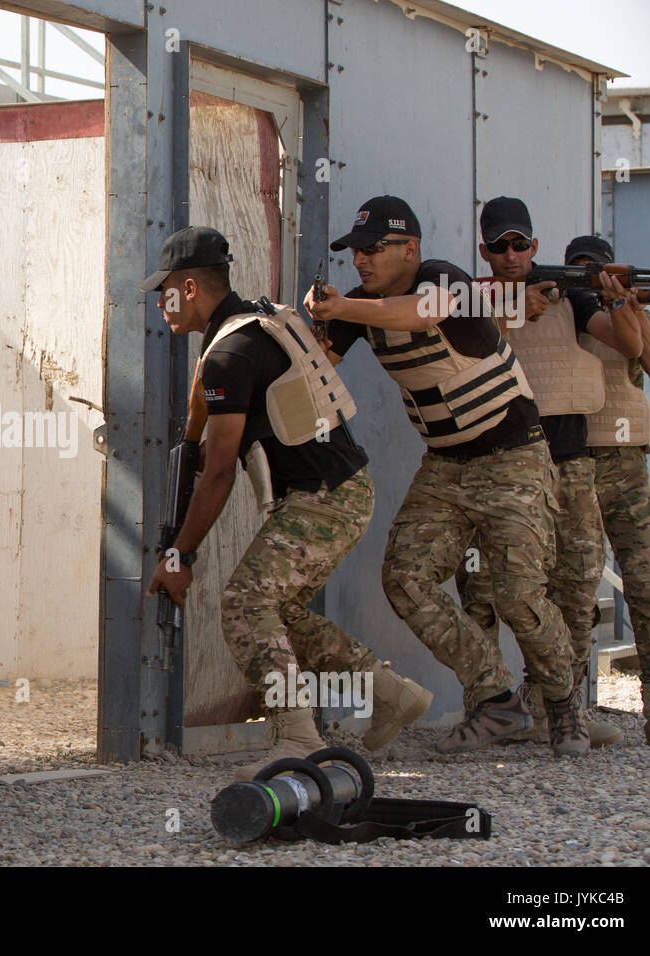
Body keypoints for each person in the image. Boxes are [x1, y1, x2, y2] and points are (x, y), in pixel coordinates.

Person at [143, 226, 433, 780]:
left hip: (324, 499)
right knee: (284, 614)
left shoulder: (229, 352)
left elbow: (220, 472)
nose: (161, 304)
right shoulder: (255, 323)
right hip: (341, 491)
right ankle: (392, 695)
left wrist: (180, 557)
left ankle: (295, 734)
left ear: (188, 286)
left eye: (165, 292)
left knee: (246, 604)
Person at [307, 195, 586, 757]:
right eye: (354, 252)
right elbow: (318, 362)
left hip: (514, 458)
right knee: (405, 578)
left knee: (517, 594)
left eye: (372, 250)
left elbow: (420, 313)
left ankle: (562, 703)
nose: (360, 262)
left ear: (409, 249)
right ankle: (496, 701)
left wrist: (343, 310)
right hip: (446, 467)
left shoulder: (443, 279)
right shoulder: (362, 305)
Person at [457, 199, 641, 748]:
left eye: (520, 245)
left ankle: (553, 709)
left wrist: (622, 302)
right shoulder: (471, 299)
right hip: (498, 462)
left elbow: (630, 347)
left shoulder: (572, 295)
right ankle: (489, 708)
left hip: (568, 459)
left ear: (535, 247)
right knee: (484, 589)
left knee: (578, 584)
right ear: (485, 251)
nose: (511, 256)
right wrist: (516, 306)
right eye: (499, 246)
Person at [572, 235, 650, 745]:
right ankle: (571, 706)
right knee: (575, 588)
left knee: (644, 587)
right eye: (581, 270)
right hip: (577, 462)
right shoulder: (564, 312)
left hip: (627, 463)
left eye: (597, 268)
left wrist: (625, 307)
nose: (590, 276)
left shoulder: (627, 310)